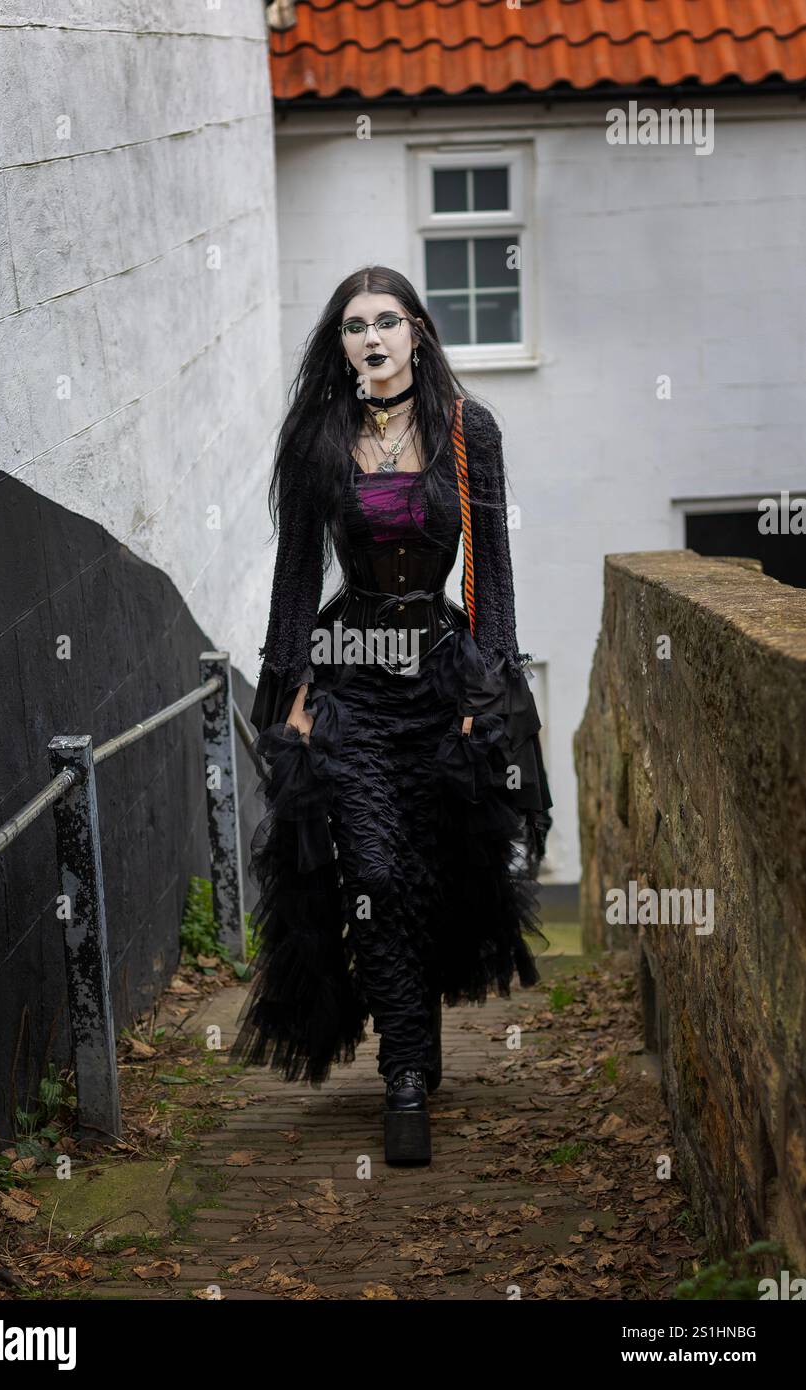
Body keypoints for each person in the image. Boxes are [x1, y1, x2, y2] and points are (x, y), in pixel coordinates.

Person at [229, 265, 552, 1164]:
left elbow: (494, 576)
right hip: (351, 680)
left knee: (426, 873)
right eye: (351, 326)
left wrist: (486, 694)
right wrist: (289, 695)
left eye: (385, 322)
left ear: (416, 333)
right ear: (339, 345)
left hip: (440, 679)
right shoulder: (319, 439)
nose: (370, 339)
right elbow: (297, 579)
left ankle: (416, 1026)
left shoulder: (465, 431)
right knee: (368, 868)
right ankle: (403, 1077)